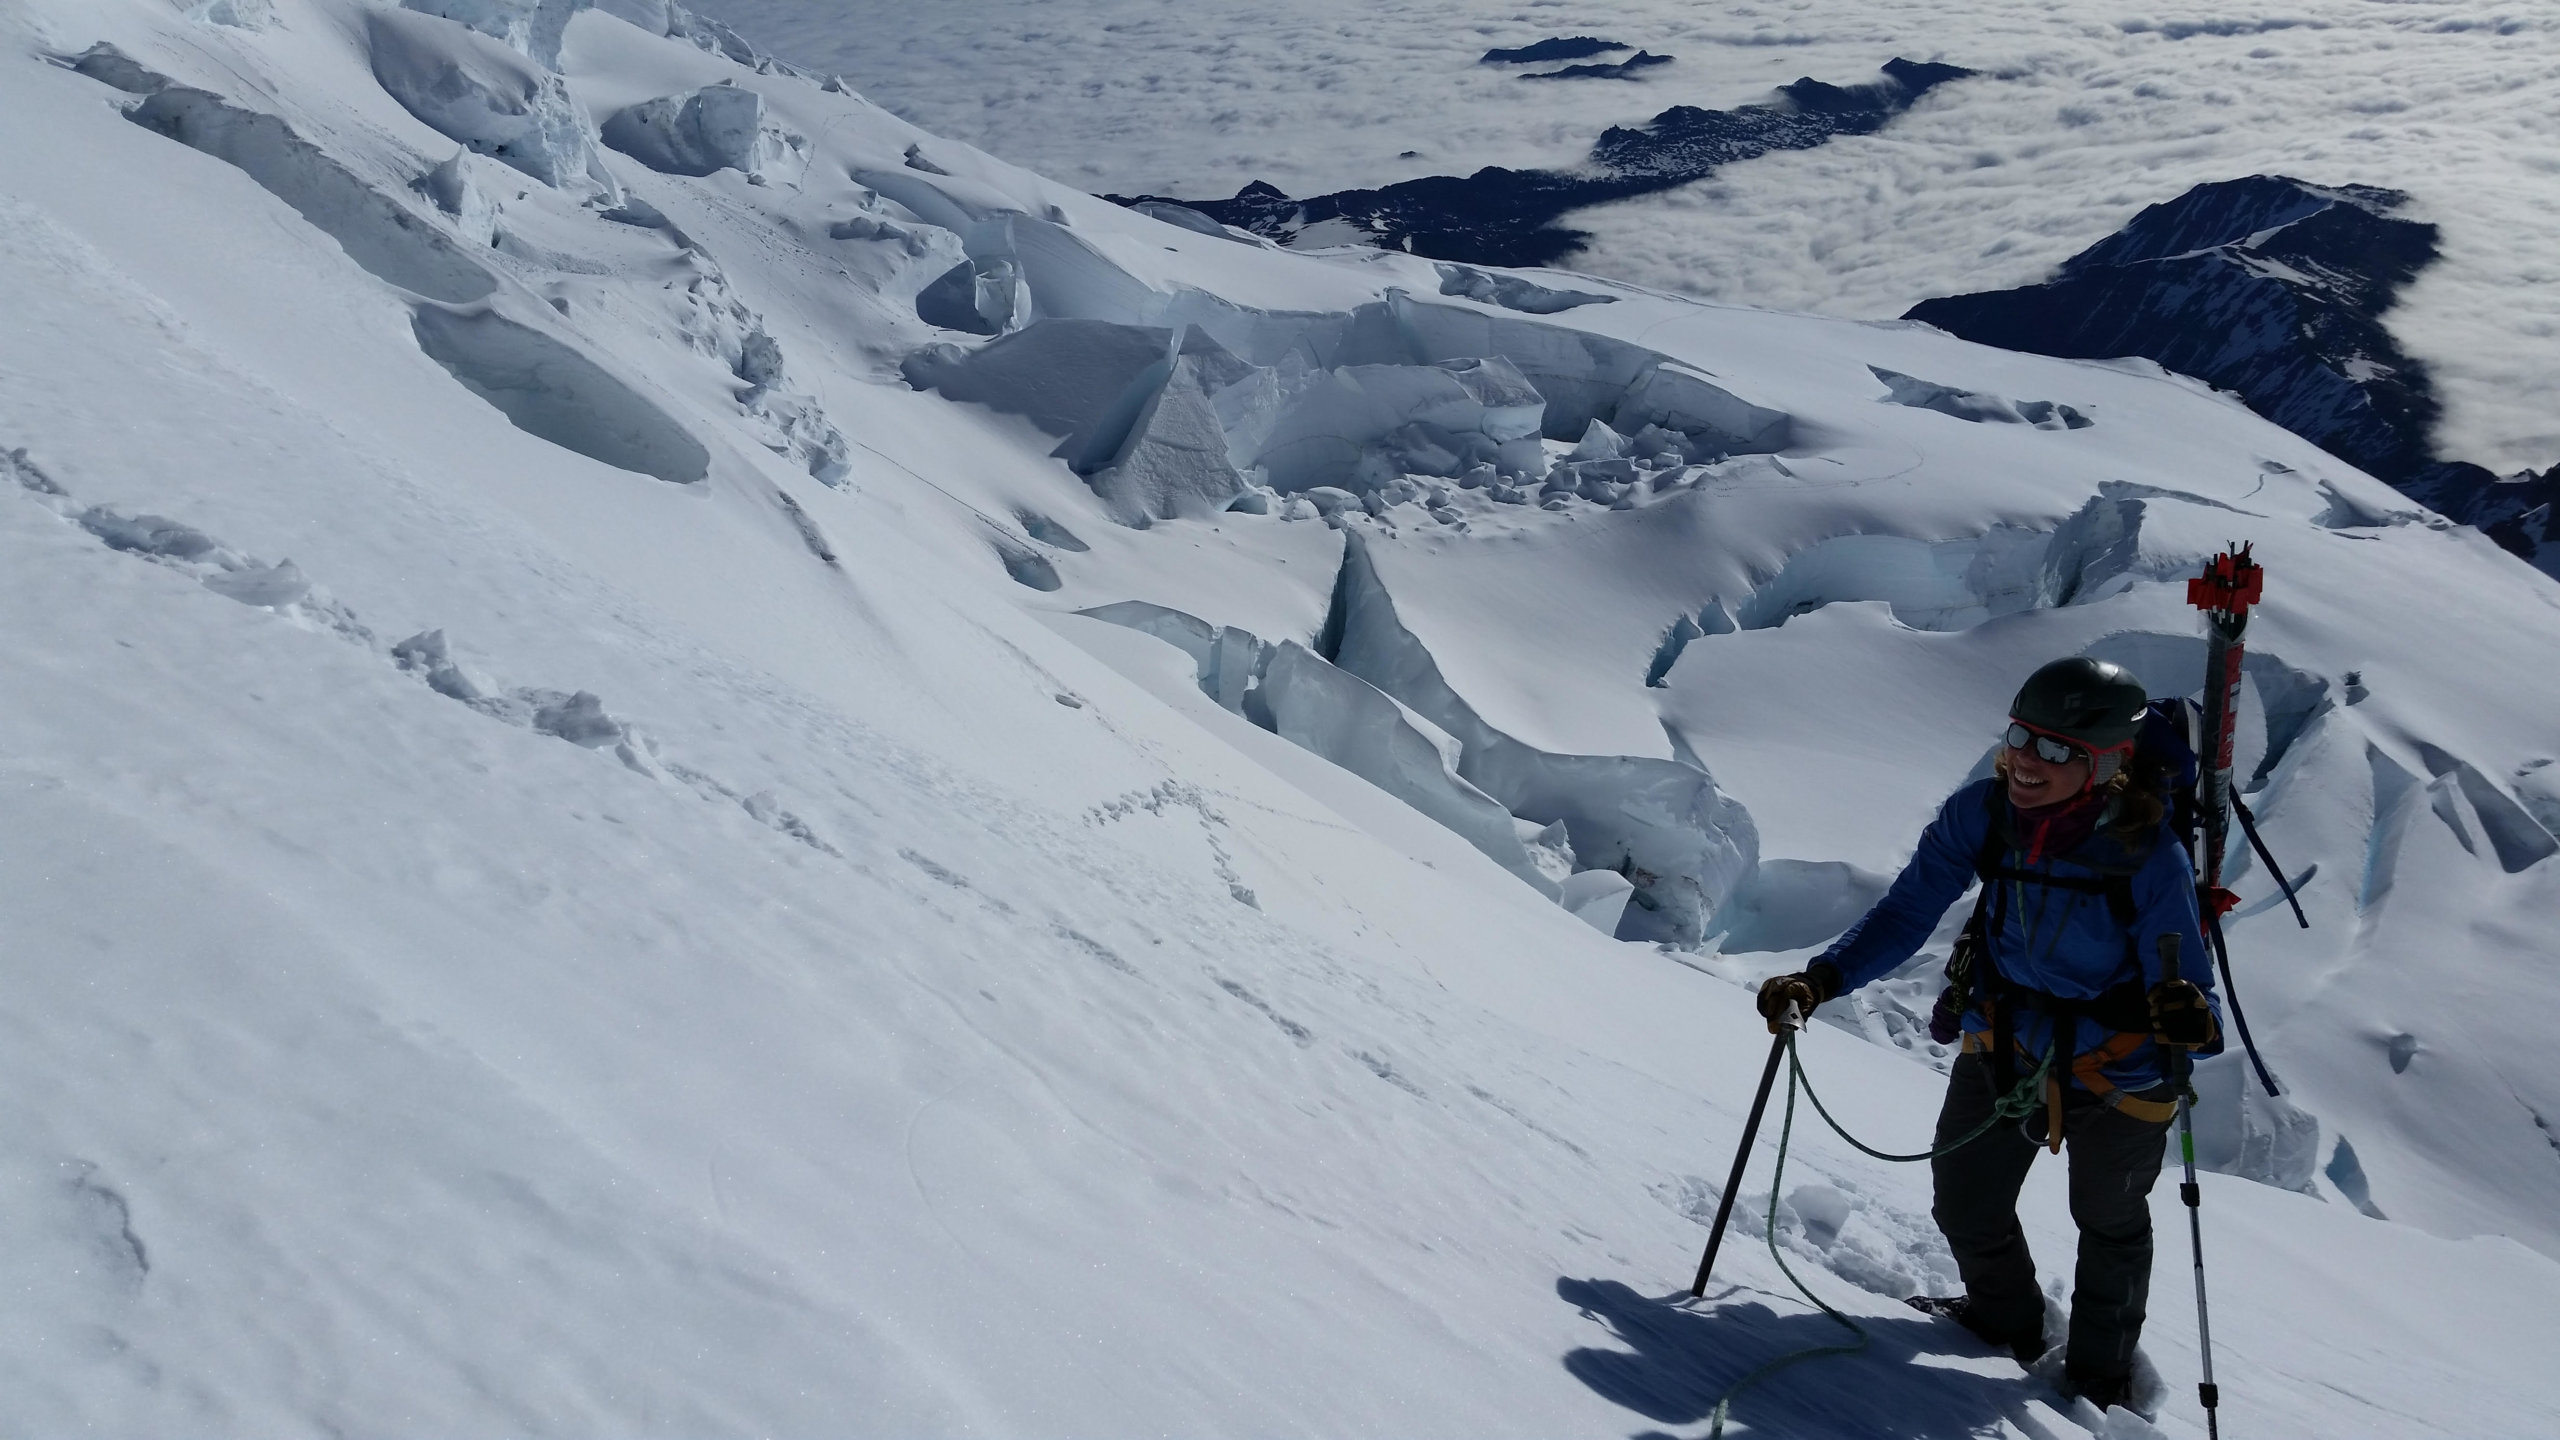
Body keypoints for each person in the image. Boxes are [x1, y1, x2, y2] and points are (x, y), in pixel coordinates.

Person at [1756, 656, 2223, 1411]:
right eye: (2021, 736)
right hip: (2007, 1039)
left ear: (2109, 763)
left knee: (2108, 1221)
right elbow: (1908, 911)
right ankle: (2005, 1319)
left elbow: (2192, 985)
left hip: (2122, 1067)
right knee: (1966, 1201)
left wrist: (2191, 1018)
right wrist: (1825, 978)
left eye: (2059, 748)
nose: (2029, 760)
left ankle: (2100, 1376)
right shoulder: (1982, 814)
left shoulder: (2149, 853)